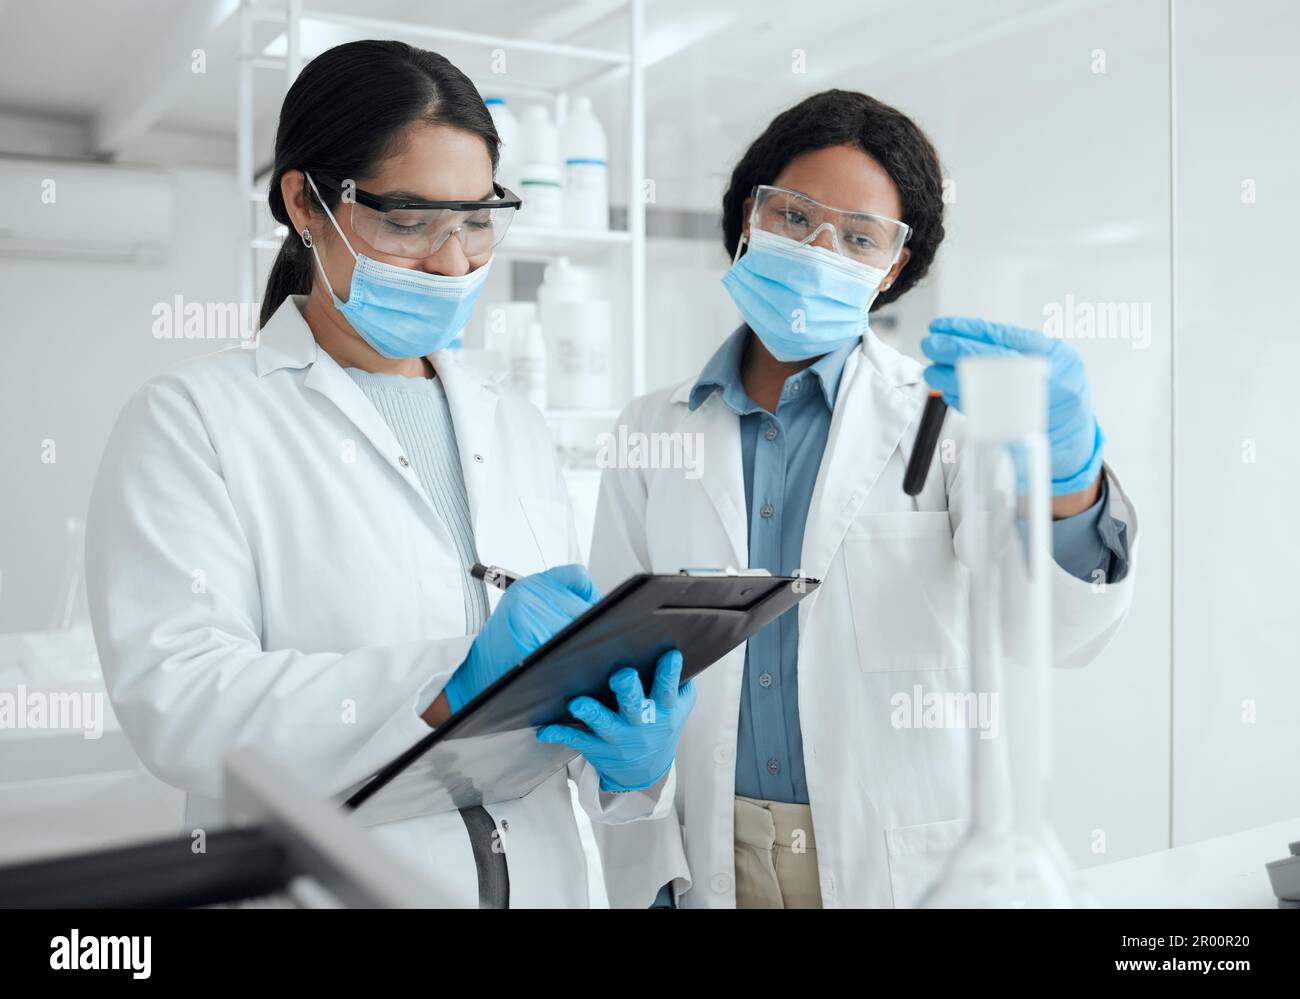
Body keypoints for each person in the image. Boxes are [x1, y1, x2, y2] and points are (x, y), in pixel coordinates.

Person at [84, 40, 692, 908]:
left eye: (476, 220)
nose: (453, 261)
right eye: (409, 221)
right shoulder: (194, 420)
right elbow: (181, 704)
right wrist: (447, 684)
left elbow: (547, 736)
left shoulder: (513, 424)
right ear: (305, 201)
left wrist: (626, 754)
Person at [587, 89, 1137, 908]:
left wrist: (1071, 479)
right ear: (749, 217)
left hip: (896, 861)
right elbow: (613, 665)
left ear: (892, 268)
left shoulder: (943, 420)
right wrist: (643, 836)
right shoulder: (652, 429)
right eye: (795, 216)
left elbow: (1057, 629)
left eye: (857, 237)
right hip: (710, 853)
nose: (819, 249)